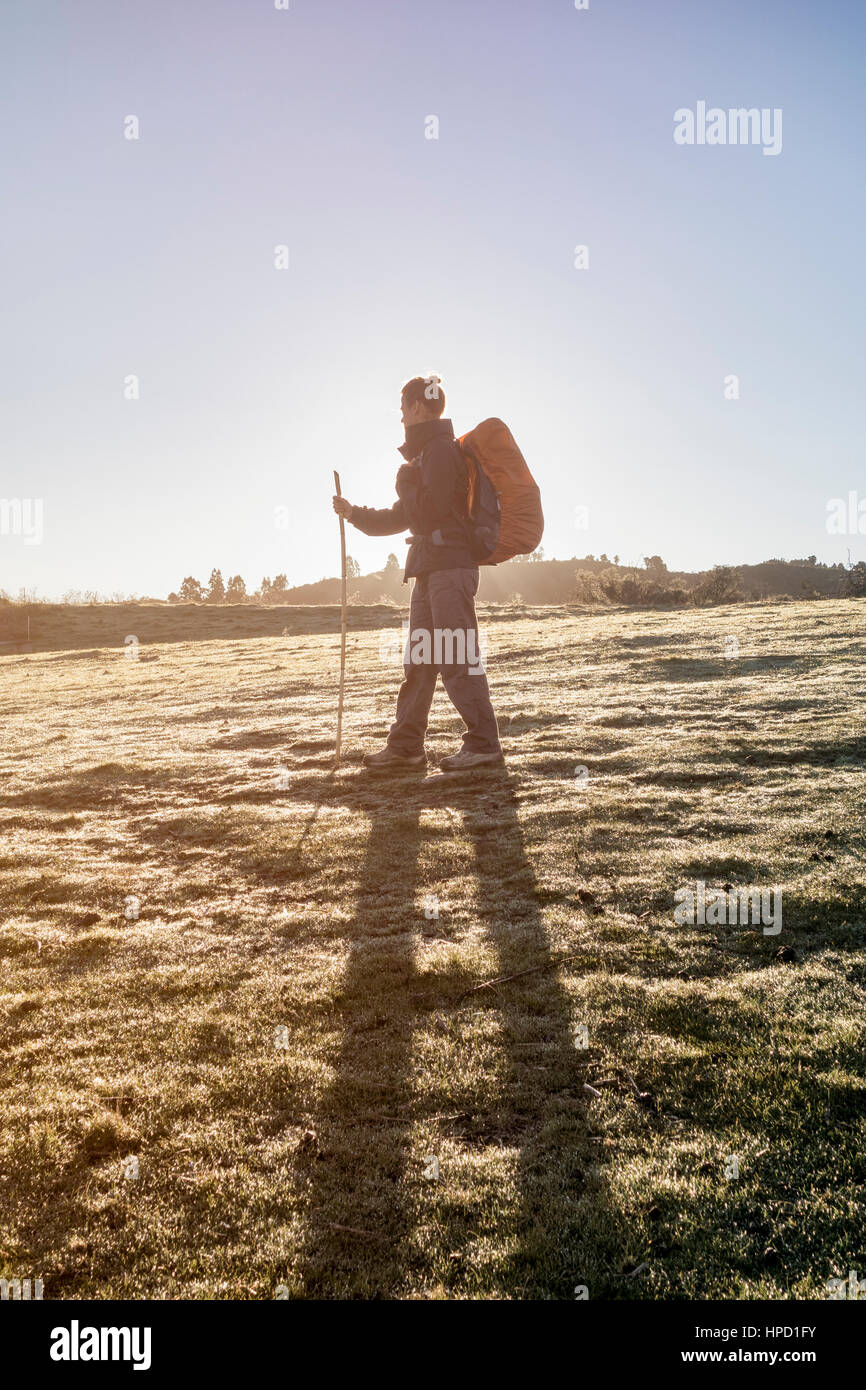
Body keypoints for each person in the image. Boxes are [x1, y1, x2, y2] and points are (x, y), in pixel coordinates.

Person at [332, 375, 504, 772]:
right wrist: (355, 513)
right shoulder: (427, 455)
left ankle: (484, 744)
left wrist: (405, 480)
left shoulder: (440, 452)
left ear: (417, 407)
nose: (401, 416)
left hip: (449, 568)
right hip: (431, 569)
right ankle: (407, 748)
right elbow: (403, 515)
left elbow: (428, 510)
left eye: (403, 407)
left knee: (456, 654)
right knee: (421, 661)